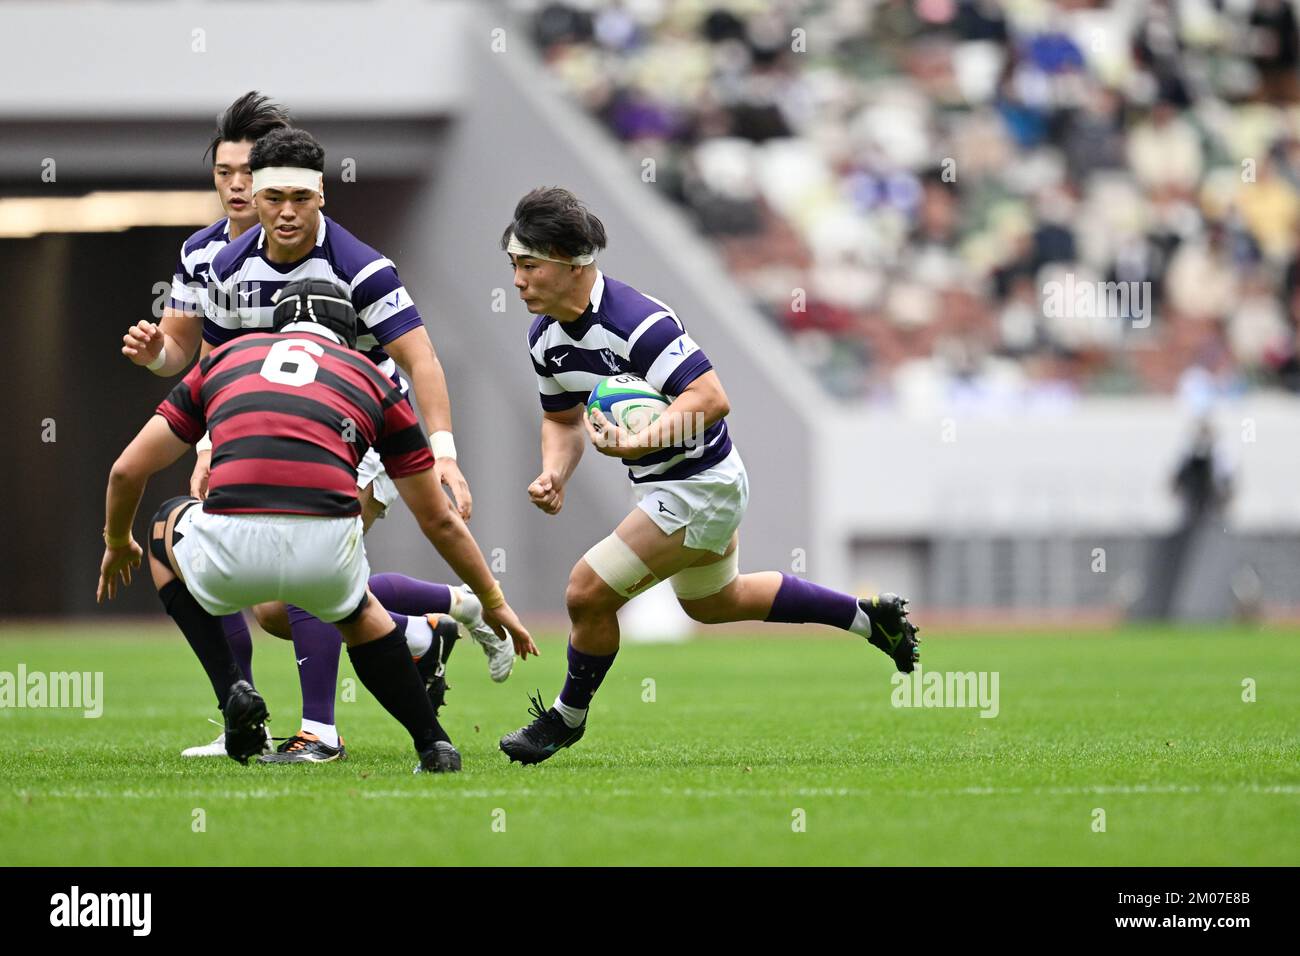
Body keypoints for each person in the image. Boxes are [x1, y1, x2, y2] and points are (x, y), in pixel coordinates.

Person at [118, 96, 501, 761]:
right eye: (234, 177)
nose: (252, 193)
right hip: (275, 427)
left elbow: (420, 357)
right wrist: (209, 442)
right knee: (277, 606)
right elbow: (212, 368)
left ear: (317, 193)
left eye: (290, 191)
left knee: (302, 574)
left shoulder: (360, 265)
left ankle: (319, 731)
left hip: (366, 430)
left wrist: (443, 452)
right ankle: (425, 628)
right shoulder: (223, 266)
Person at [495, 187, 920, 765]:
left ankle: (565, 719)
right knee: (714, 603)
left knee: (585, 592)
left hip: (702, 483)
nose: (518, 280)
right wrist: (554, 472)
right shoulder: (545, 336)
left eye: (529, 265)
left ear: (573, 264)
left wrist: (639, 441)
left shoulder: (636, 321)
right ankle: (870, 619)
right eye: (514, 267)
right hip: (663, 484)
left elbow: (712, 397)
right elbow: (560, 420)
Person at [97, 279, 537, 772]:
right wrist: (496, 600)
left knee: (163, 526)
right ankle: (433, 743)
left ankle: (238, 697)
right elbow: (439, 519)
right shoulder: (372, 379)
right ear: (348, 337)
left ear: (280, 326)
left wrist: (118, 541)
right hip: (325, 545)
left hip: (231, 547)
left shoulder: (225, 358)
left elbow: (126, 470)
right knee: (349, 610)